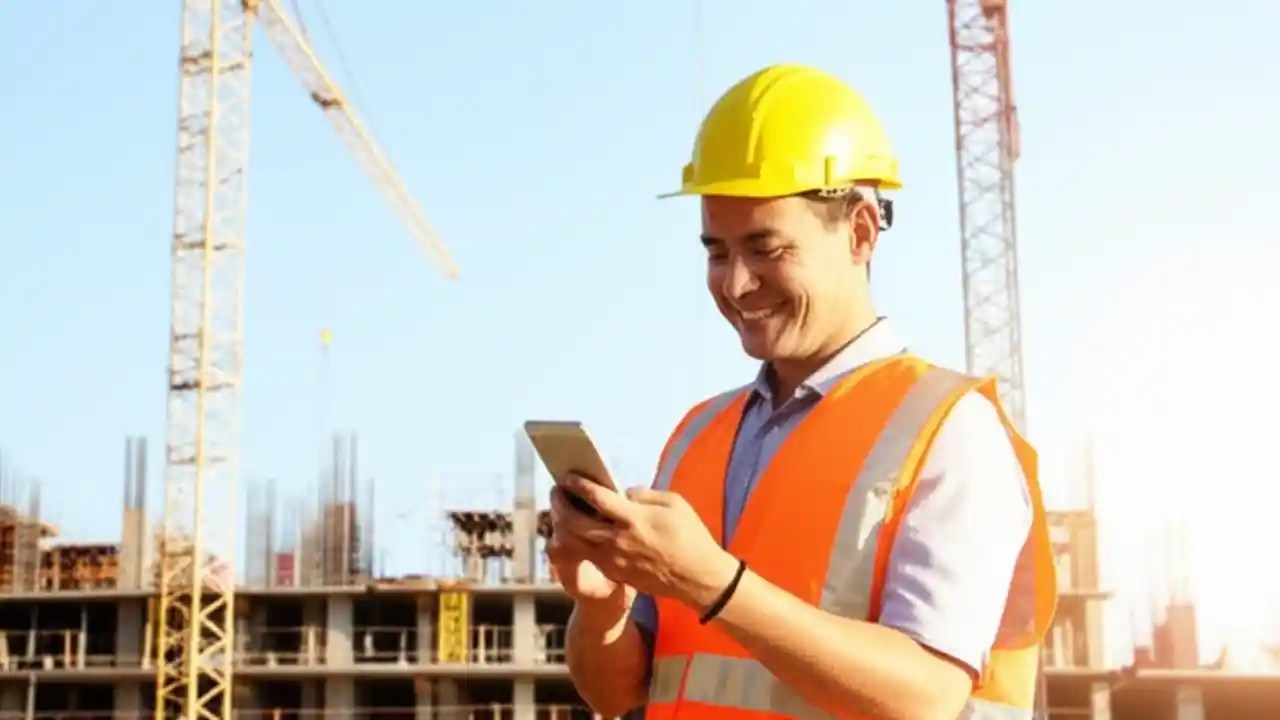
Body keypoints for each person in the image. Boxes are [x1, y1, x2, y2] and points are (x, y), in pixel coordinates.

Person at [548, 63, 1057, 720]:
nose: (735, 285)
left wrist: (709, 581)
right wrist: (601, 608)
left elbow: (926, 695)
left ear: (862, 231)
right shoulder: (697, 435)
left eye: (766, 250)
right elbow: (617, 693)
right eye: (716, 252)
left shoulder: (950, 432)